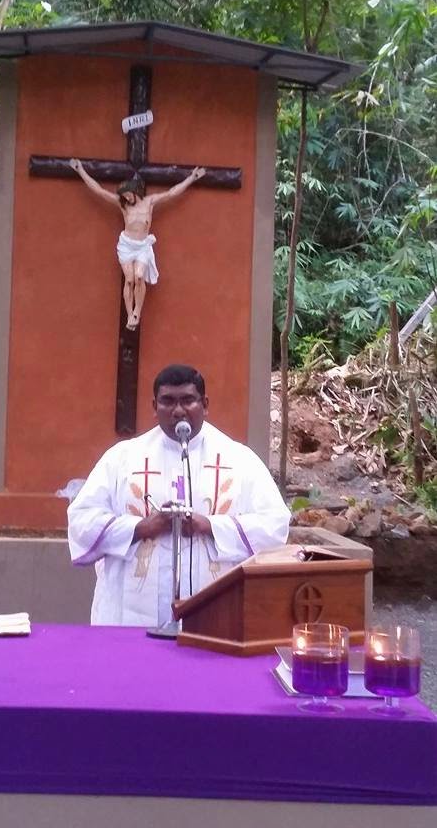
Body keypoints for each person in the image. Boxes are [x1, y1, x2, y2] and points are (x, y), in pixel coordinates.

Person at [67, 364, 290, 627]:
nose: (178, 411)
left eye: (188, 400)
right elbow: (81, 521)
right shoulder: (122, 458)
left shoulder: (239, 459)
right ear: (154, 406)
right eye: (167, 401)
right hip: (128, 616)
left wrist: (210, 525)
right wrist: (141, 527)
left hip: (213, 614)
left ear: (204, 404)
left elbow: (275, 526)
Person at [68, 159, 206, 330]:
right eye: (123, 195)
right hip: (126, 245)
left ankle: (137, 313)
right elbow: (99, 191)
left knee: (140, 276)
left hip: (142, 246)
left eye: (128, 194)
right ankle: (130, 315)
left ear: (135, 191)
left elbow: (172, 192)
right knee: (130, 279)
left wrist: (192, 177)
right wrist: (80, 170)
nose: (126, 197)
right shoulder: (123, 205)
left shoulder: (150, 202)